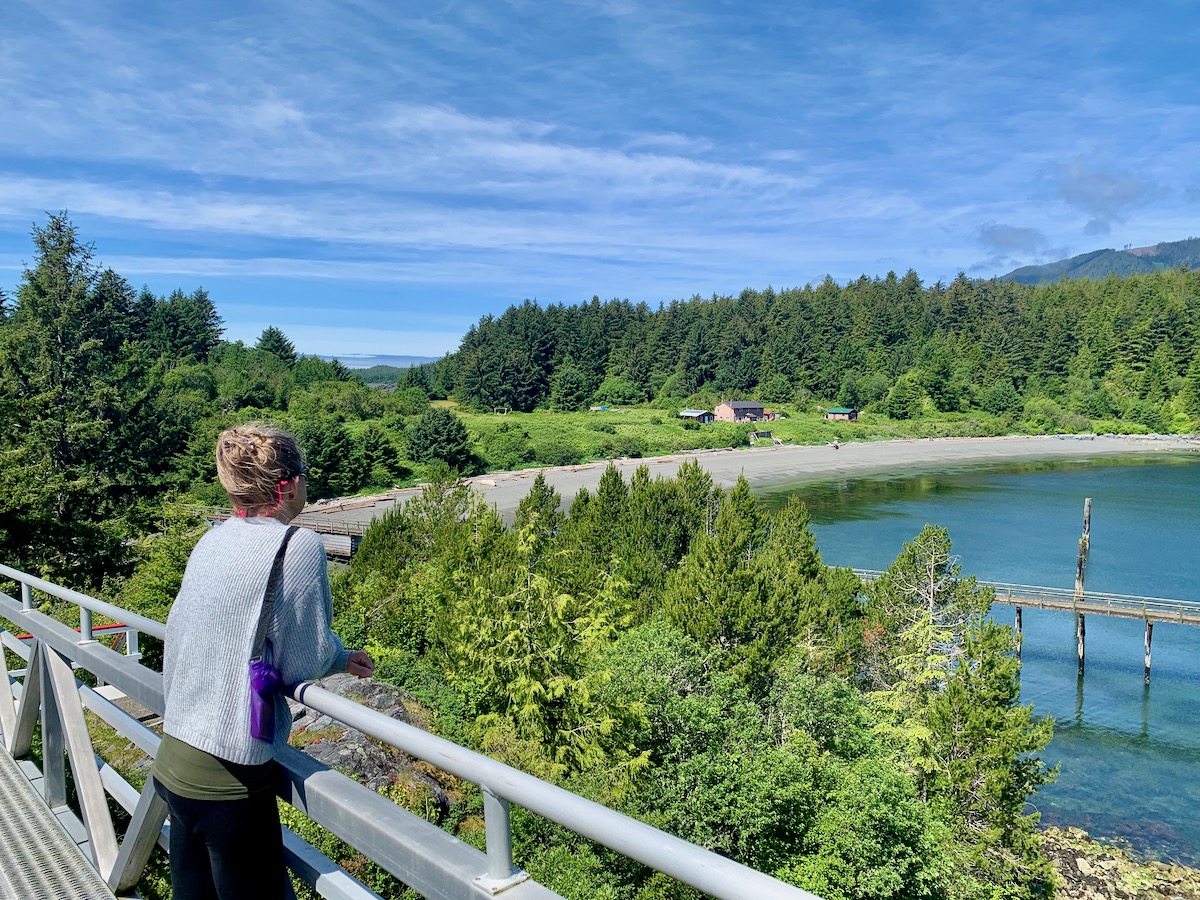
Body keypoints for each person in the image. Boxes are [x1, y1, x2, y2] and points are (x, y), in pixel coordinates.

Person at [153, 423, 374, 900]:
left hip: (173, 759)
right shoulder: (296, 545)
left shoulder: (211, 540)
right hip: (227, 779)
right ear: (290, 484)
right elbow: (303, 658)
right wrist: (338, 657)